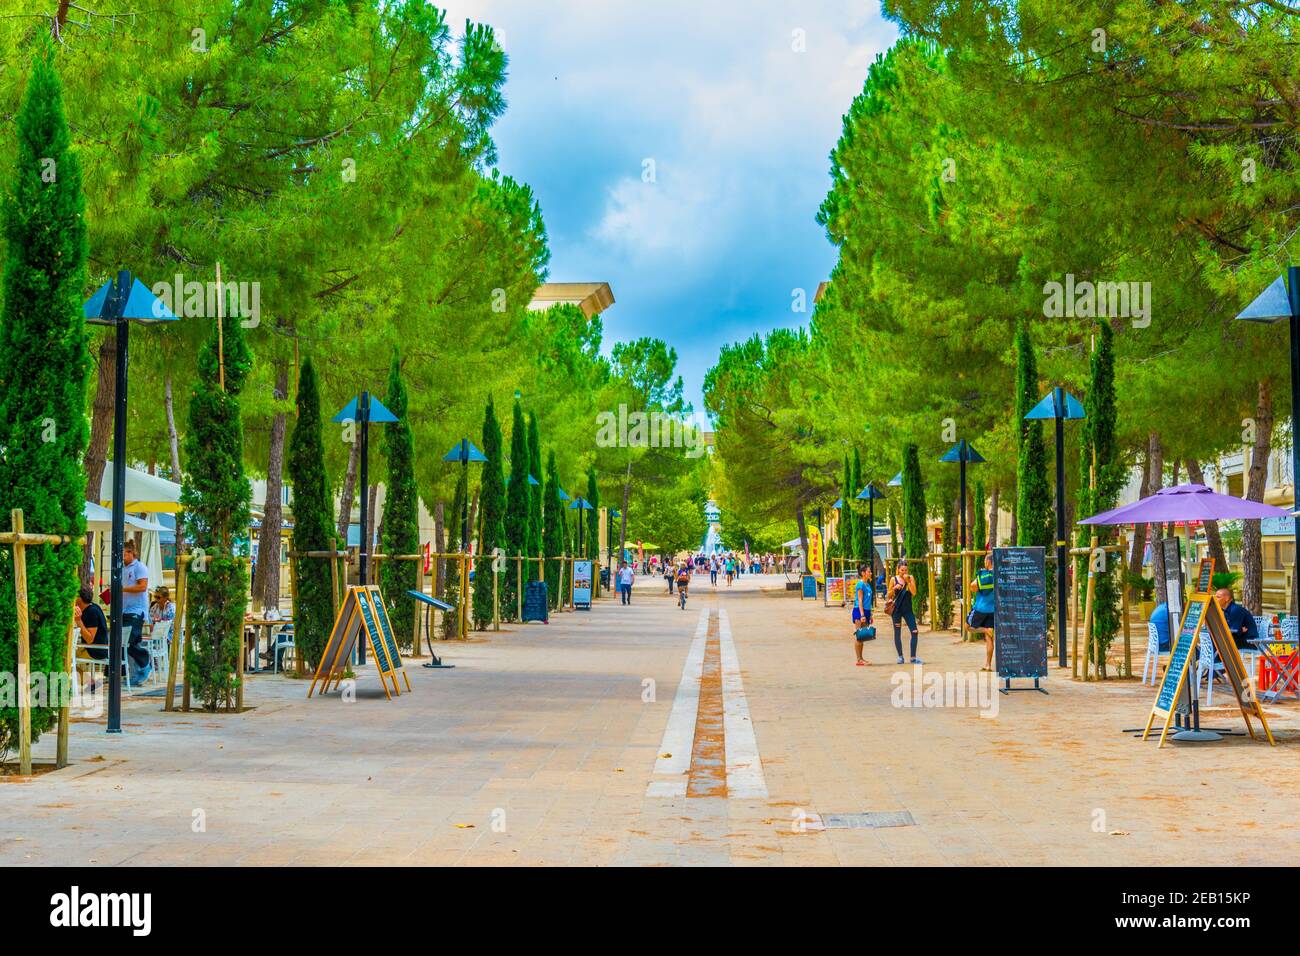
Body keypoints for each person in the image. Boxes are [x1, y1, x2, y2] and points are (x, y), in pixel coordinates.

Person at [121, 541, 152, 683]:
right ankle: (133, 674)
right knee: (123, 643)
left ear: (130, 552)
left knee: (129, 642)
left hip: (136, 610)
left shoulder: (139, 567)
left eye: (123, 553)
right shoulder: (122, 568)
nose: (121, 556)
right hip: (124, 610)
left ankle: (145, 663)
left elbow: (142, 587)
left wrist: (123, 589)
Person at [74, 587, 109, 691]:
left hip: (96, 650)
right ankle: (89, 682)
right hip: (96, 647)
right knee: (67, 654)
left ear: (79, 599)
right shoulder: (93, 607)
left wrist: (78, 621)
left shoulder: (91, 612)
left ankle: (90, 683)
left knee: (65, 657)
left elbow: (89, 639)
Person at [888, 560, 921, 664]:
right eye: (902, 570)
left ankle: (913, 657)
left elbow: (914, 592)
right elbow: (888, 594)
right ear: (898, 570)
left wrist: (908, 582)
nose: (904, 572)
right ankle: (900, 656)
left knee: (914, 631)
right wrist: (894, 588)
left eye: (906, 570)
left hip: (908, 610)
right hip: (896, 610)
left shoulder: (910, 578)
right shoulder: (893, 579)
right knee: (897, 633)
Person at [968, 553, 996, 671]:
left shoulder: (984, 575)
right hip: (993, 609)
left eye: (985, 561)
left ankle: (985, 629)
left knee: (967, 626)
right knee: (989, 638)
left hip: (981, 608)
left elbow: (972, 586)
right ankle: (988, 664)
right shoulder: (999, 575)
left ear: (988, 562)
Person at [852, 563, 874, 667]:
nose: (871, 573)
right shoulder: (860, 585)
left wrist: (871, 614)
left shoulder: (868, 585)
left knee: (863, 636)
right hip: (859, 611)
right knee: (859, 635)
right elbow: (860, 601)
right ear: (863, 573)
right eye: (869, 571)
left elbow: (868, 601)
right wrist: (862, 615)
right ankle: (859, 659)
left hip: (867, 611)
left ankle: (861, 658)